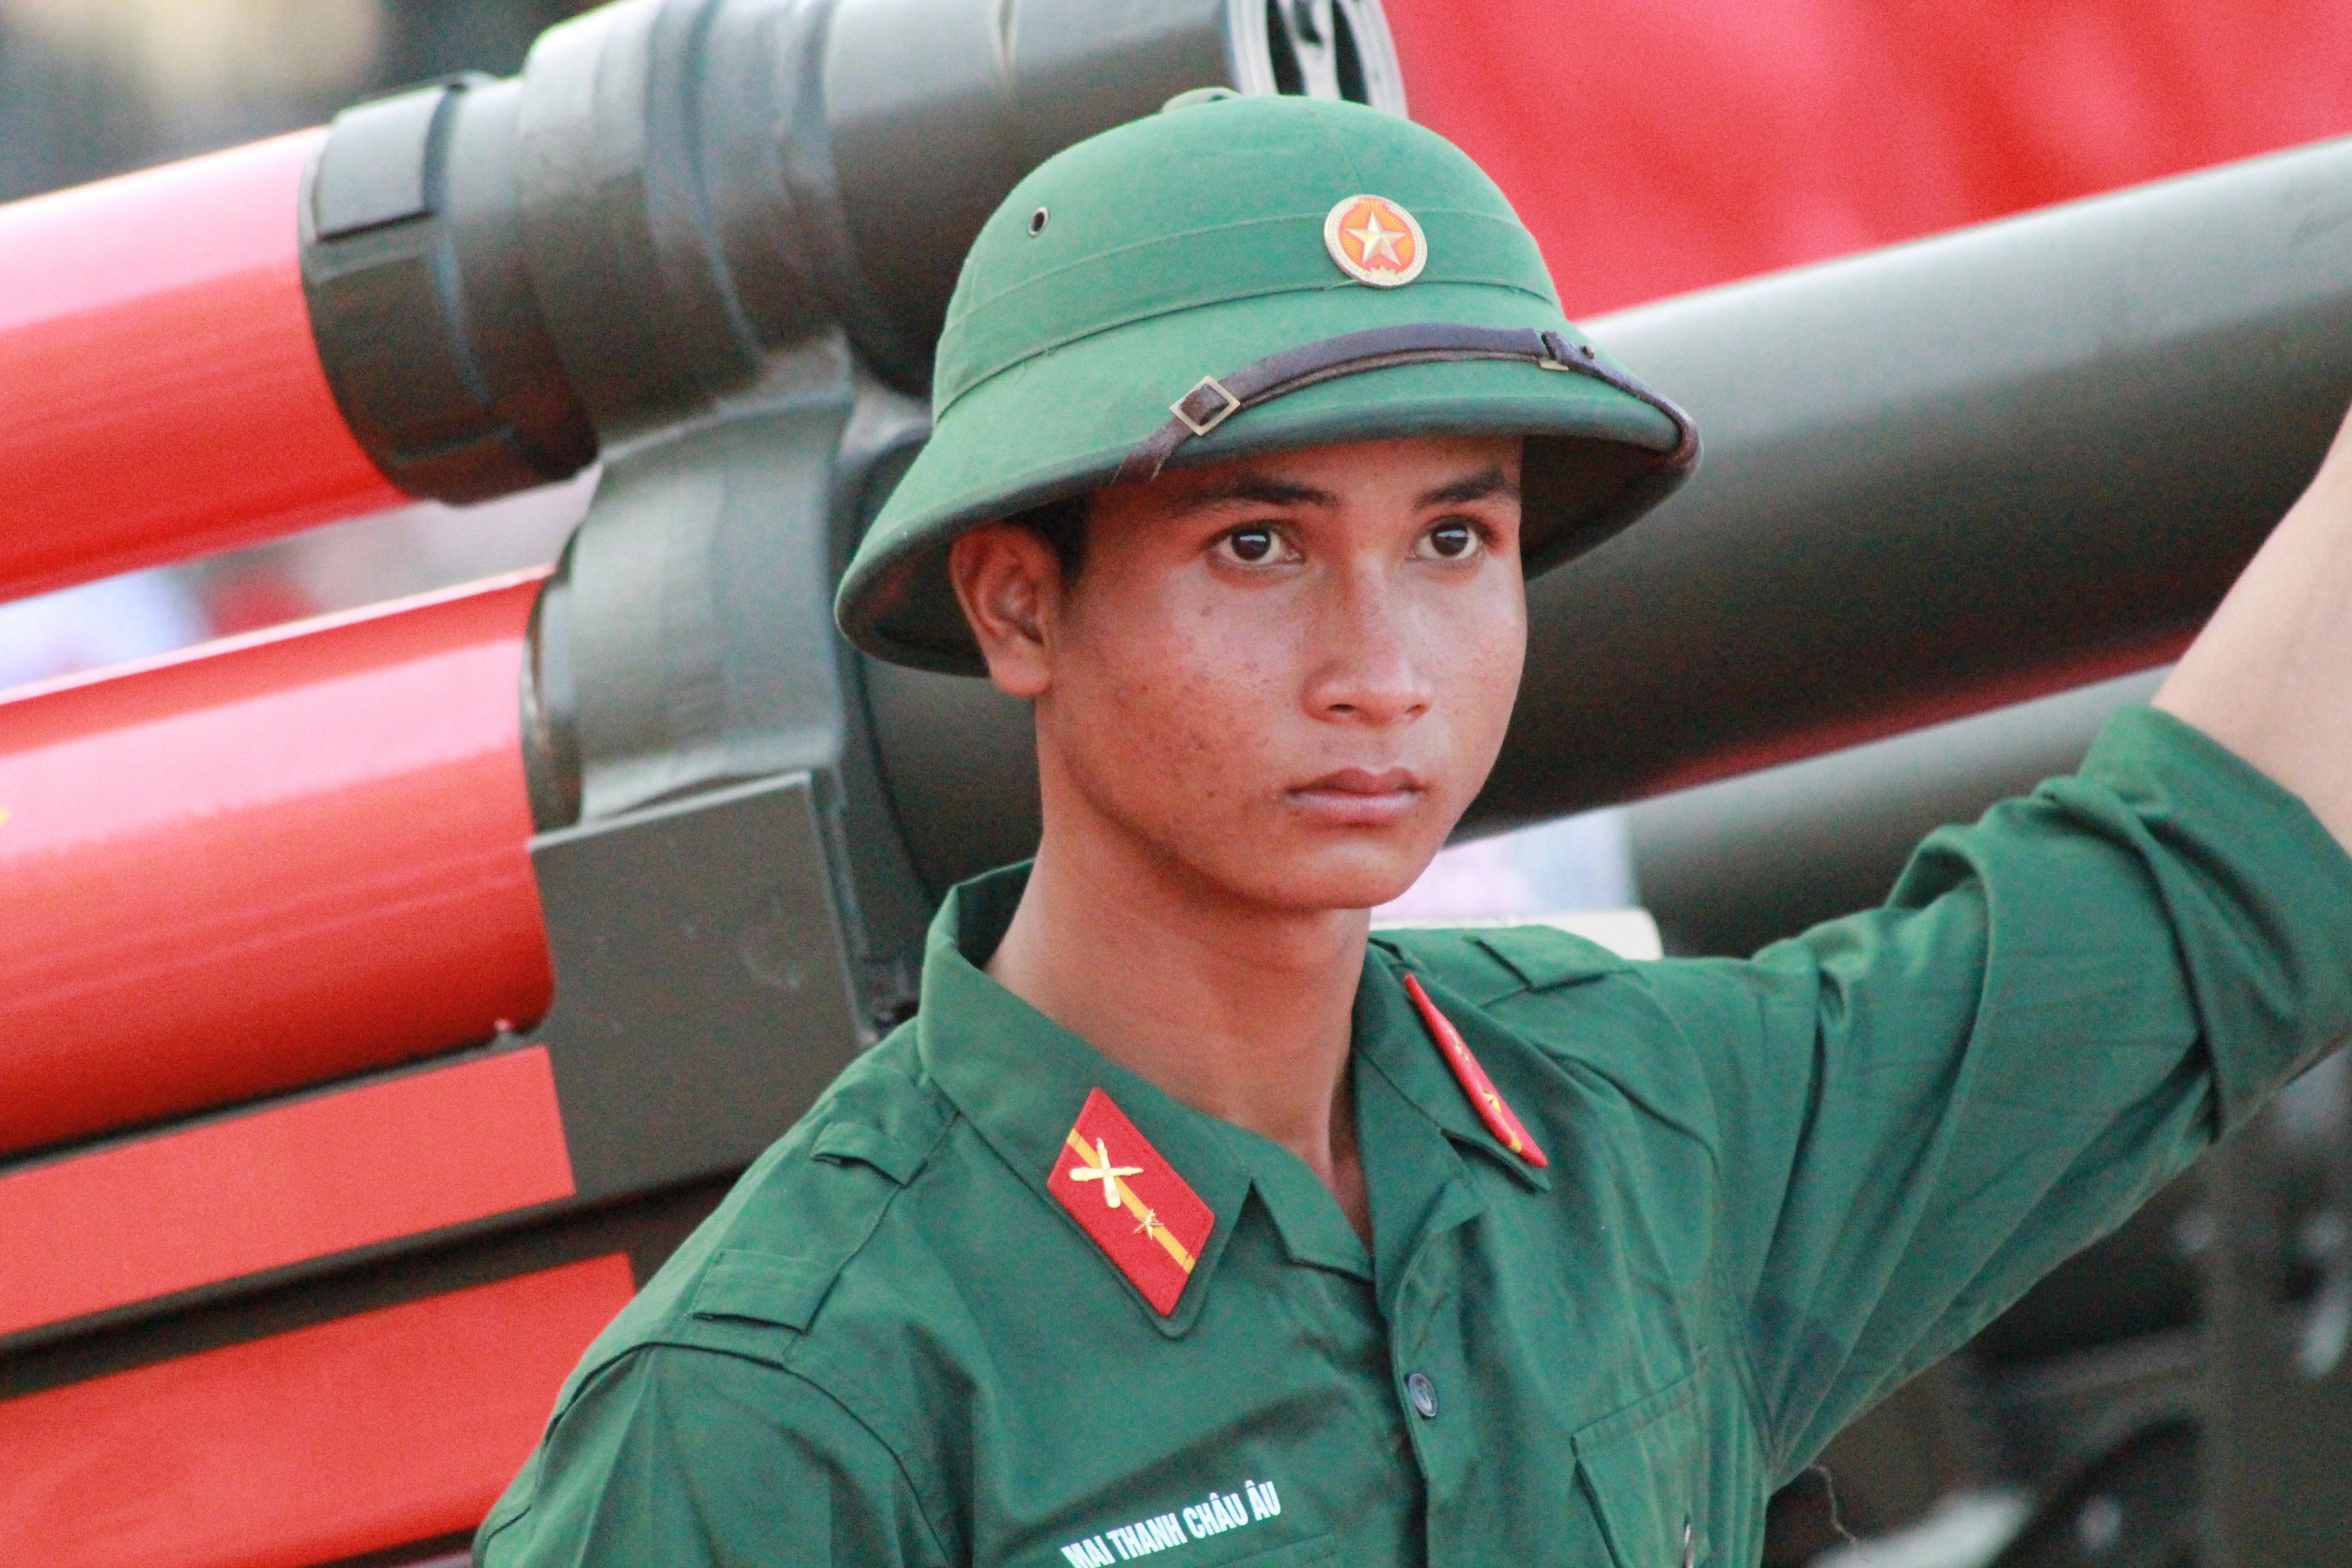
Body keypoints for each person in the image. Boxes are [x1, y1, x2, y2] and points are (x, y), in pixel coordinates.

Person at [473, 93, 2352, 1568]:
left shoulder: (1629, 1134)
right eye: (1258, 547)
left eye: (1457, 541)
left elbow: (2198, 894)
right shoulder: (787, 1412)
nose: (1383, 669)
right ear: (1017, 605)